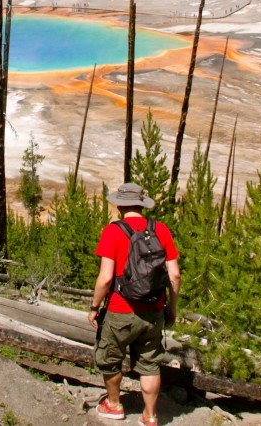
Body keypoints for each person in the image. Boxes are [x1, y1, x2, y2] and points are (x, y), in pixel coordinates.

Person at [88, 182, 181, 425]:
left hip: (121, 309)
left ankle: (115, 405)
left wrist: (94, 307)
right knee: (150, 364)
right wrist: (170, 309)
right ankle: (150, 416)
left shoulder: (112, 231)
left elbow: (106, 277)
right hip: (153, 310)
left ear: (119, 204)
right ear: (141, 205)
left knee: (110, 358)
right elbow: (175, 275)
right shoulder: (161, 230)